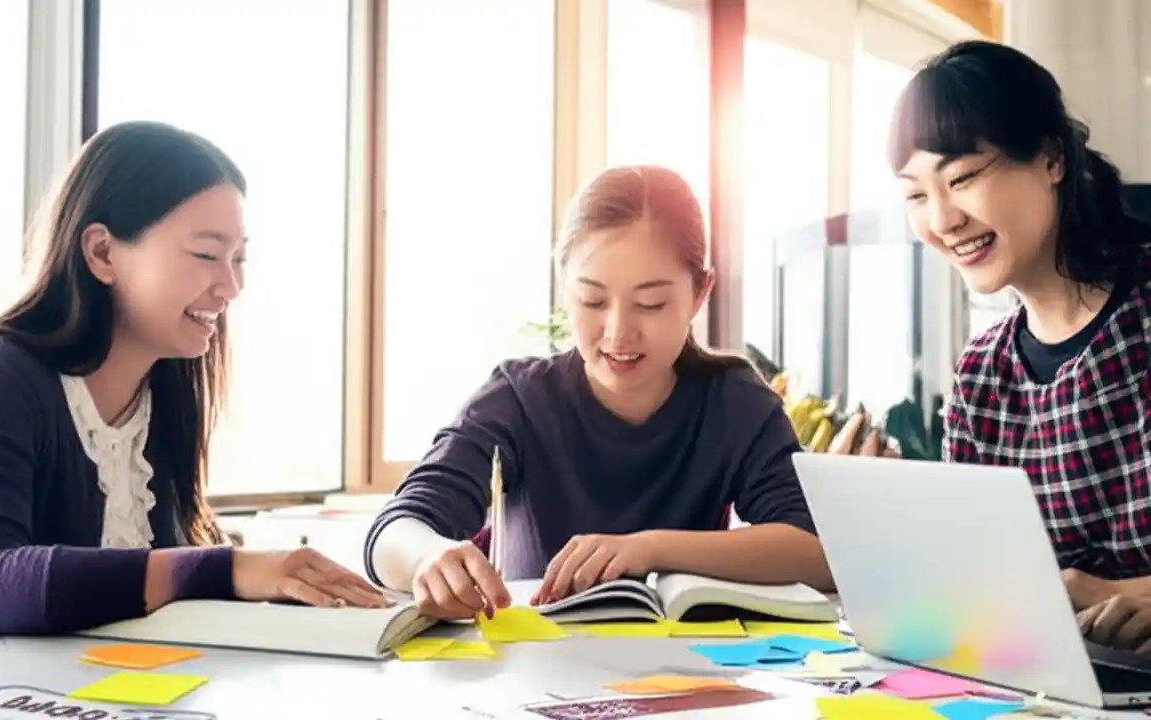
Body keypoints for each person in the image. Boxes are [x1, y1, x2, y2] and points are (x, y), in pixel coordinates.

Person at [366, 165, 889, 621]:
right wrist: (427, 558)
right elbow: (396, 529)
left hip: (689, 676)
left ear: (700, 293)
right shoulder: (519, 397)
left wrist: (650, 548)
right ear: (563, 283)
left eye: (651, 304)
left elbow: (815, 550)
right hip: (533, 670)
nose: (618, 333)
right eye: (592, 301)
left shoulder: (735, 402)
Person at [0, 121, 388, 636]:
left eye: (239, 258)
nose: (232, 285)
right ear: (102, 253)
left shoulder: (168, 390)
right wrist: (225, 569)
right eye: (206, 255)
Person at [890, 39, 1151, 620]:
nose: (942, 220)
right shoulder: (981, 380)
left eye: (963, 177)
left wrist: (1149, 606)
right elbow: (987, 590)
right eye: (916, 195)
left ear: (1051, 159)